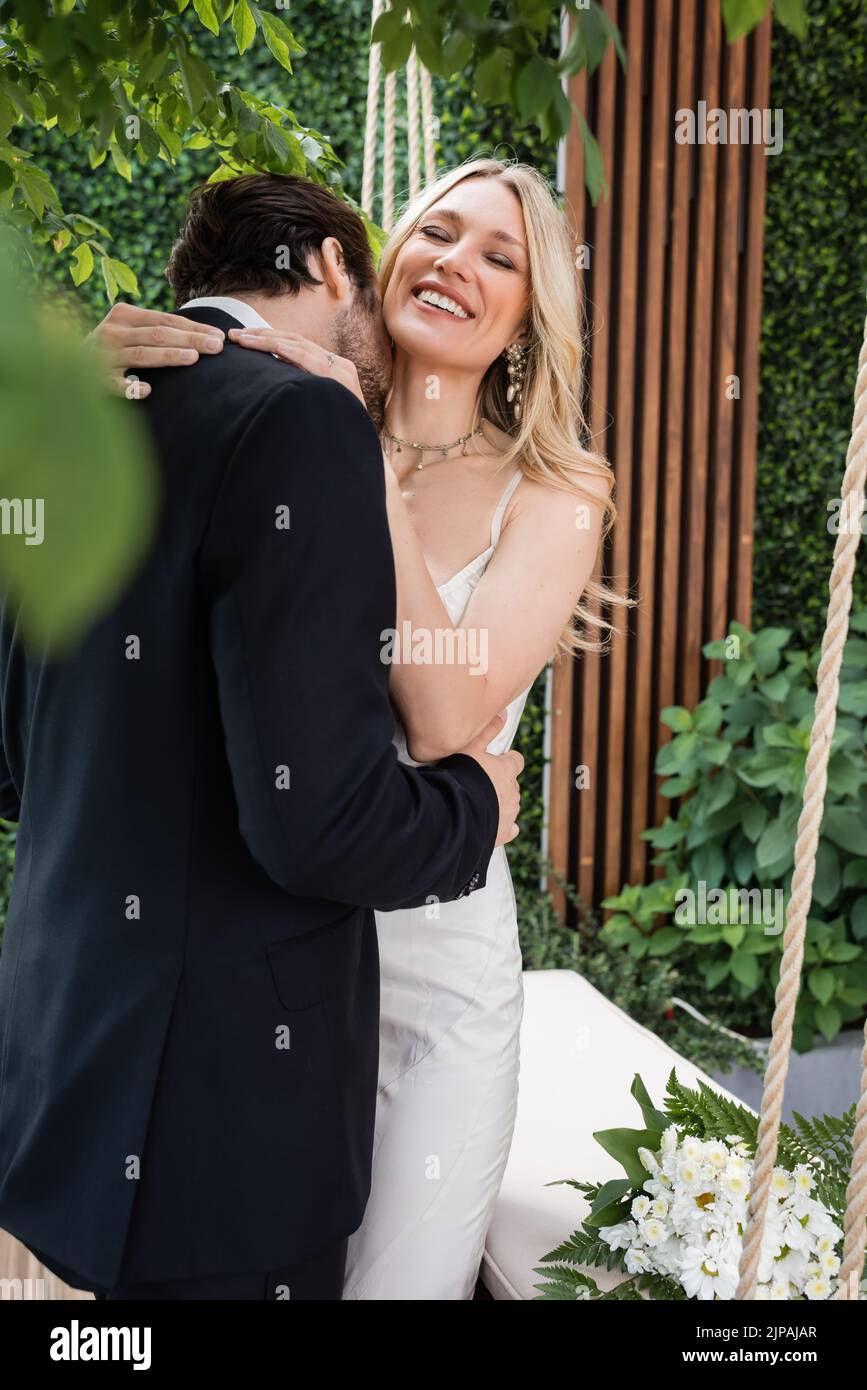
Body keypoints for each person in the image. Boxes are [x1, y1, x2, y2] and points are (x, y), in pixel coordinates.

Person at [92, 158, 626, 1298]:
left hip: (432, 984)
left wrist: (366, 472)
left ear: (529, 318)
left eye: (500, 256)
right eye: (437, 231)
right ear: (375, 266)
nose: (456, 263)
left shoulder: (556, 492)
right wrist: (85, 386)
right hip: (267, 959)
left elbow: (446, 717)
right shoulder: (273, 417)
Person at [0, 171, 524, 1302]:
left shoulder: (80, 414)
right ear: (335, 265)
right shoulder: (301, 419)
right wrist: (478, 804)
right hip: (227, 1107)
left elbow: (19, 757)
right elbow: (314, 823)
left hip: (71, 1070)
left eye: (500, 255)